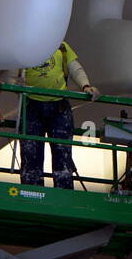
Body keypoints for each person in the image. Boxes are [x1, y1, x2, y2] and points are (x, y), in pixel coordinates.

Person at [18, 41, 99, 189]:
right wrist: (16, 85)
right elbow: (12, 75)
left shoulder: (61, 46)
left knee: (61, 153)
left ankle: (60, 192)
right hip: (32, 106)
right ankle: (32, 191)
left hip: (58, 106)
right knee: (32, 153)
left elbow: (75, 69)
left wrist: (85, 86)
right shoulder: (24, 44)